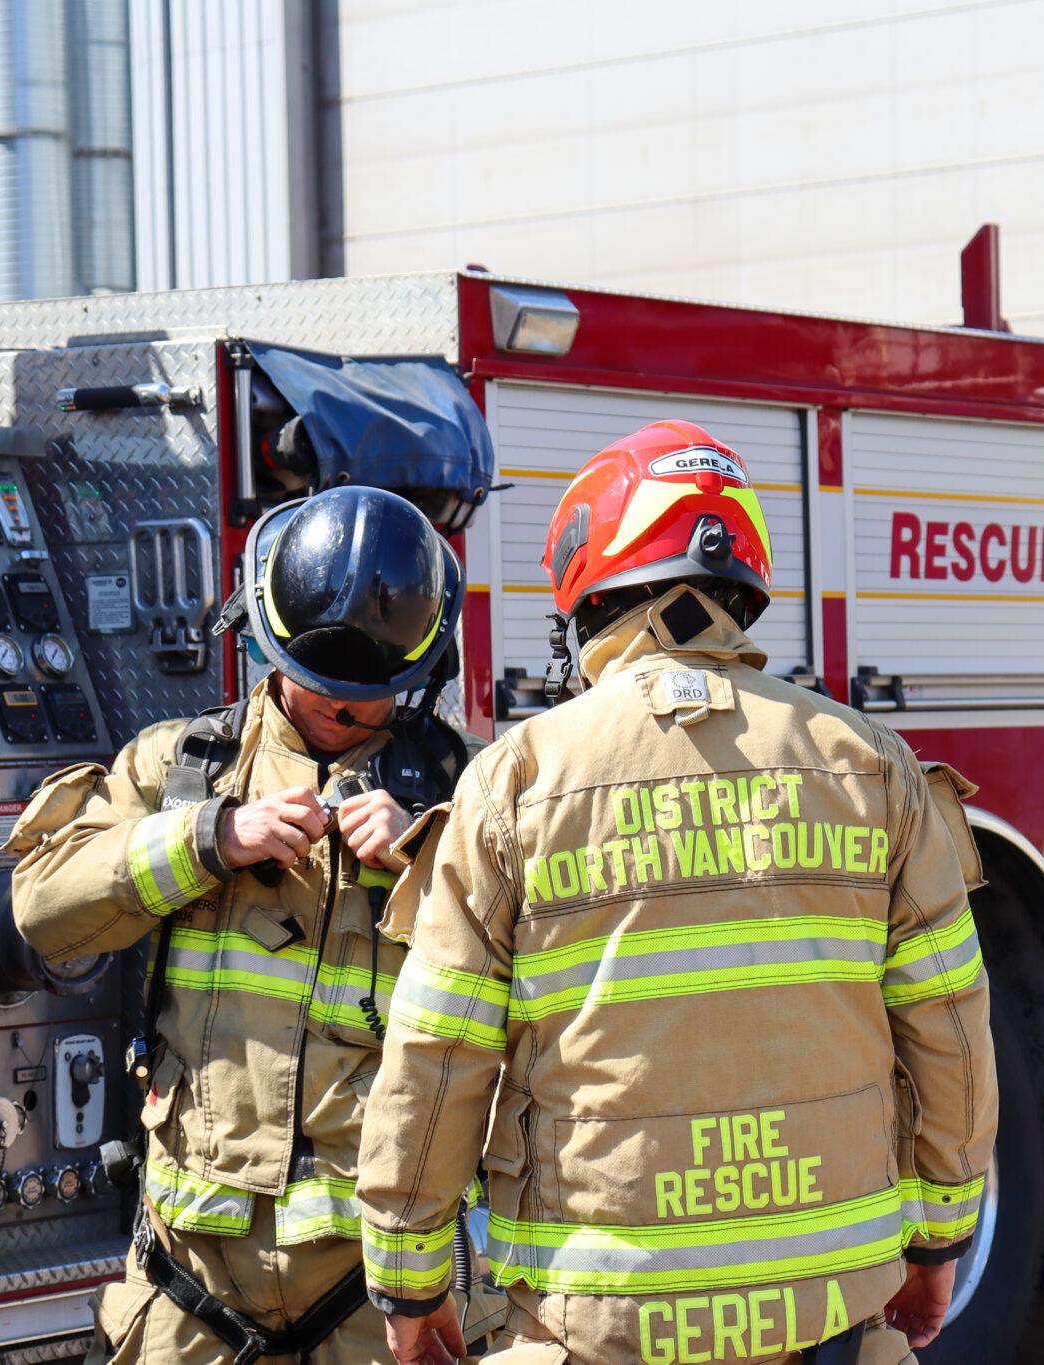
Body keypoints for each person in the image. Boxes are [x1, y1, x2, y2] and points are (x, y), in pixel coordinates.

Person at [355, 420, 997, 1365]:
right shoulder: (872, 767)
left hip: (596, 1325)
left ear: (590, 594)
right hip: (826, 1328)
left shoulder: (518, 780)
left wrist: (409, 1284)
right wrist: (941, 1237)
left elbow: (436, 1056)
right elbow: (951, 1030)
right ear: (740, 588)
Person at [9, 486, 482, 1364]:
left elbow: (547, 988)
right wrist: (206, 839)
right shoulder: (181, 768)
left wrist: (429, 865)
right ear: (266, 641)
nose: (339, 712)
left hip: (376, 1300)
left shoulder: (472, 791)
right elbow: (43, 910)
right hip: (189, 1288)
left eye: (367, 696)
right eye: (319, 687)